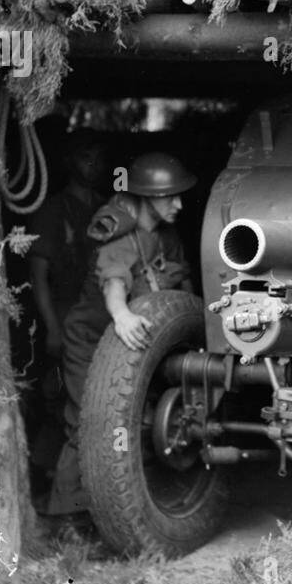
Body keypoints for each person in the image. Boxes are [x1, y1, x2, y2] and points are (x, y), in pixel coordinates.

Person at [44, 151, 197, 519]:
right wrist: (122, 314)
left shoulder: (164, 231)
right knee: (89, 422)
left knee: (130, 422)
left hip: (134, 347)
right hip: (92, 340)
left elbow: (181, 278)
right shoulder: (118, 234)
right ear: (146, 196)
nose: (179, 204)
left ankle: (109, 510)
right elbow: (114, 280)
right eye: (169, 196)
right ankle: (68, 515)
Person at [25, 130, 107, 492]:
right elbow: (38, 276)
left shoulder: (107, 208)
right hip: (62, 310)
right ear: (69, 163)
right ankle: (54, 483)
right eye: (86, 157)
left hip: (98, 315)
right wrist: (53, 329)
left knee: (87, 396)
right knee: (62, 397)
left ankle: (60, 479)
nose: (94, 165)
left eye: (98, 158)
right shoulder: (53, 210)